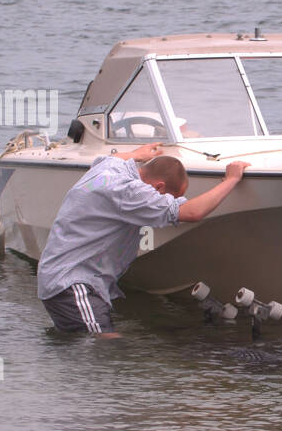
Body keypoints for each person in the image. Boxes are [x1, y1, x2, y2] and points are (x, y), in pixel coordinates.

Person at [37, 143, 250, 337]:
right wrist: (231, 180)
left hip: (67, 278)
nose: (168, 203)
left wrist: (138, 154)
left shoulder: (110, 168)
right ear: (158, 188)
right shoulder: (129, 191)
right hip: (72, 283)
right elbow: (192, 213)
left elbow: (116, 156)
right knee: (105, 347)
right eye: (170, 198)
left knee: (89, 345)